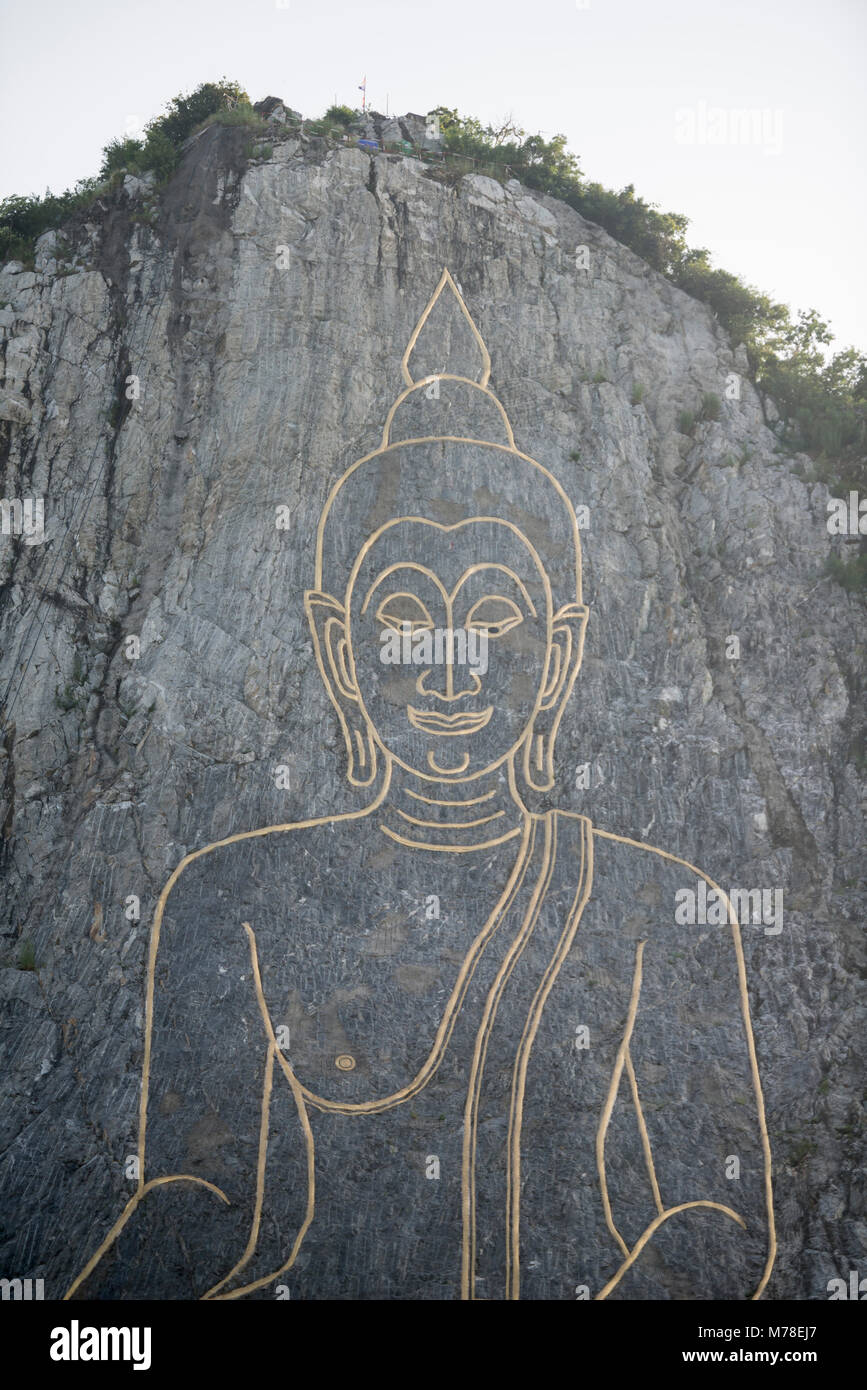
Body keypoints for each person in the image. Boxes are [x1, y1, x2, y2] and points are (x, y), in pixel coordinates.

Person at [67, 270, 775, 1301]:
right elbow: (196, 1199)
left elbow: (720, 1221)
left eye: (494, 620)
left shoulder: (658, 907)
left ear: (560, 654)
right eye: (404, 616)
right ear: (339, 648)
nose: (450, 674)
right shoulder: (233, 898)